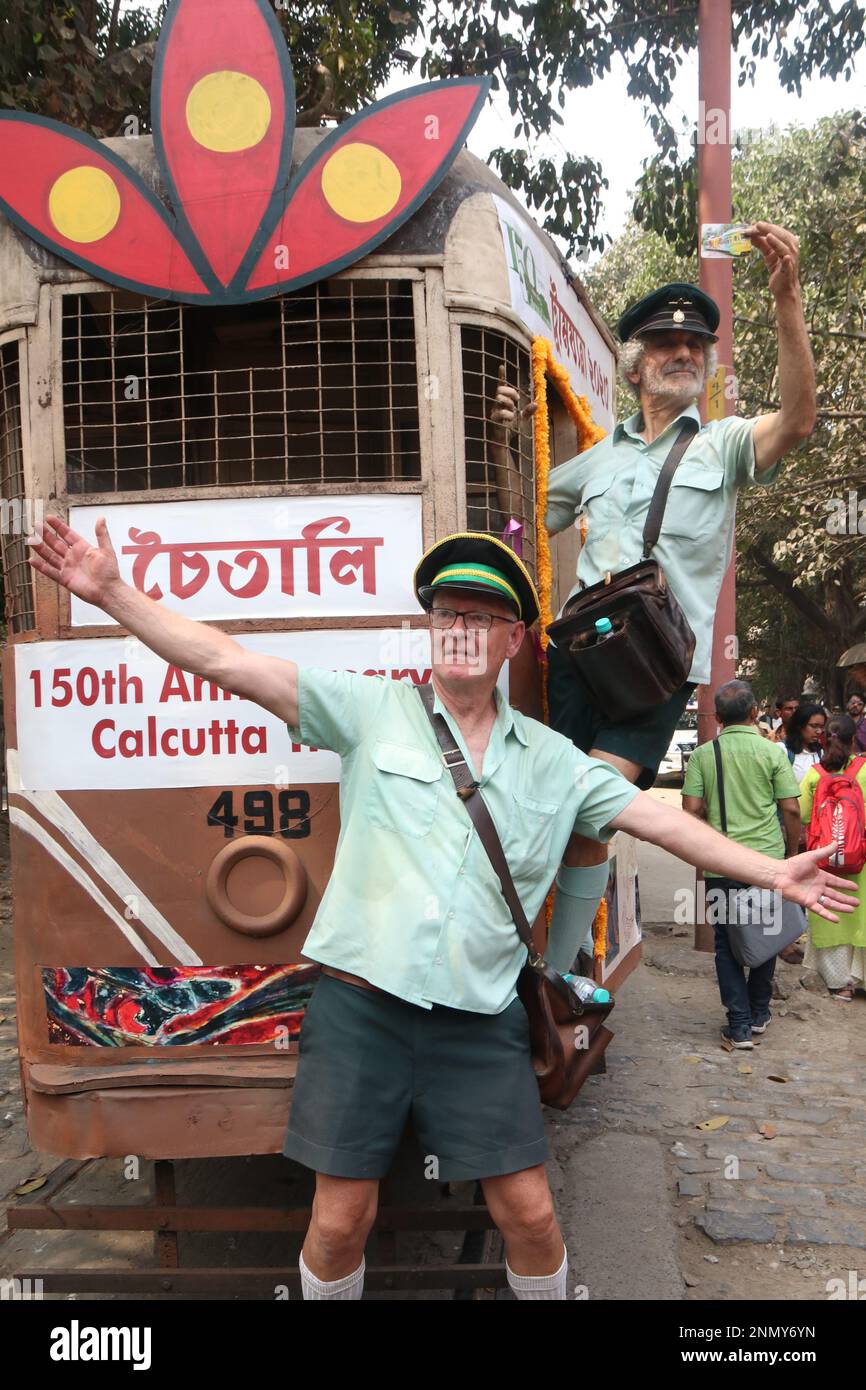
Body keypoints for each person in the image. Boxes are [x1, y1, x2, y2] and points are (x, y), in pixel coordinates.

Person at [27, 518, 852, 1302]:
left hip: (481, 1019)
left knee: (529, 1212)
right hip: (360, 1010)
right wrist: (113, 595)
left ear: (512, 639)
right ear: (430, 629)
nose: (462, 627)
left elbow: (661, 820)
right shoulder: (370, 712)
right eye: (449, 612)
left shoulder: (554, 762)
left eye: (485, 615)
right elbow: (229, 663)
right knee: (340, 1217)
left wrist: (774, 872)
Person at [491, 224, 817, 970]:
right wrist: (506, 440)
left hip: (657, 666)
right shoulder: (596, 459)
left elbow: (798, 421)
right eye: (669, 347)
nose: (685, 355)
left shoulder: (725, 444)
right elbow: (519, 518)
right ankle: (549, 969)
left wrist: (787, 299)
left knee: (591, 803)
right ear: (637, 367)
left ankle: (549, 975)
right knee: (567, 818)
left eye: (697, 346)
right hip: (576, 655)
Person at [682, 680, 802, 1049]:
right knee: (766, 936)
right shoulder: (772, 753)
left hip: (722, 865)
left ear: (717, 717)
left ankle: (739, 1026)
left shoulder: (704, 755)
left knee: (725, 944)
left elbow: (690, 811)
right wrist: (792, 853)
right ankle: (759, 1013)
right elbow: (792, 808)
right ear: (754, 714)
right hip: (766, 862)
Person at [799, 715, 866, 1001]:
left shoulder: (815, 774)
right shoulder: (864, 770)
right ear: (854, 740)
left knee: (831, 914)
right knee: (861, 912)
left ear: (824, 739)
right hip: (862, 859)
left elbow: (802, 814)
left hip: (824, 861)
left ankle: (840, 984)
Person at [785, 702, 827, 783]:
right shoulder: (783, 750)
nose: (819, 731)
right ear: (799, 725)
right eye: (814, 726)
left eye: (821, 727)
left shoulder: (820, 752)